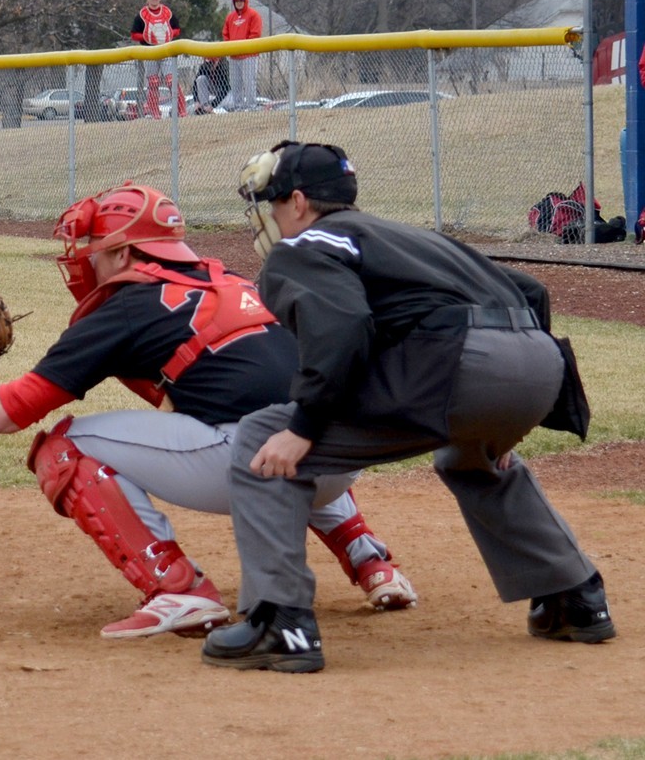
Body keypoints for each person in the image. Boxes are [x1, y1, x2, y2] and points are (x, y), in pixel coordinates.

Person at [0, 182, 416, 639]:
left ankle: (177, 589)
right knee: (283, 416)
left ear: (124, 252)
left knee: (63, 447)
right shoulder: (234, 282)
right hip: (339, 459)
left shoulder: (126, 305)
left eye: (96, 252)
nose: (87, 264)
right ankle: (371, 561)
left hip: (255, 469)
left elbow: (4, 414)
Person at [204, 140, 613, 673]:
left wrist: (303, 425)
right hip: (540, 365)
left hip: (460, 366)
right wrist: (505, 421)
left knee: (263, 436)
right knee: (468, 456)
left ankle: (280, 624)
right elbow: (529, 291)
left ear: (299, 201)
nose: (273, 217)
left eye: (275, 203)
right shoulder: (411, 237)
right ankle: (575, 598)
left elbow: (342, 325)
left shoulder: (303, 245)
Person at [130, 0, 186, 119]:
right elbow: (133, 34)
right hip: (150, 50)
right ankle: (155, 112)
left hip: (166, 49)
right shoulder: (141, 15)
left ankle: (182, 110)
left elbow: (177, 29)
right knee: (153, 82)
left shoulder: (167, 12)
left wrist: (169, 33)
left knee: (171, 80)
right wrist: (147, 36)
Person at [220, 0, 263, 112]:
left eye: (241, 0)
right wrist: (231, 47)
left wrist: (243, 48)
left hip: (249, 55)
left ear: (245, 1)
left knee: (249, 81)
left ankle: (251, 106)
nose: (239, 3)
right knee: (235, 83)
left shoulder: (253, 15)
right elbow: (225, 34)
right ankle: (238, 106)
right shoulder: (230, 17)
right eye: (236, 1)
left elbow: (255, 34)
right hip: (234, 57)